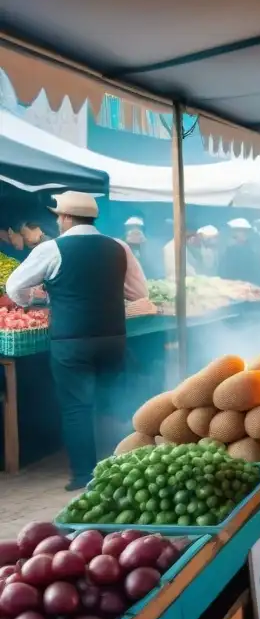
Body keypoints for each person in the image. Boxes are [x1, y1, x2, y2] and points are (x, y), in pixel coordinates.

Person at [5, 191, 148, 490]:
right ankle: (125, 465)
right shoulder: (118, 246)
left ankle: (85, 476)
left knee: (76, 408)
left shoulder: (52, 249)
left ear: (67, 217)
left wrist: (34, 299)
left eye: (59, 216)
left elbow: (15, 285)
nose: (58, 221)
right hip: (112, 336)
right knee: (114, 400)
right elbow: (138, 293)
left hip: (72, 341)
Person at [218, 217, 260, 284]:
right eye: (233, 231)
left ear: (245, 234)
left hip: (245, 289)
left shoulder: (249, 253)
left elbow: (255, 275)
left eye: (236, 231)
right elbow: (222, 271)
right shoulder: (229, 251)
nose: (233, 234)